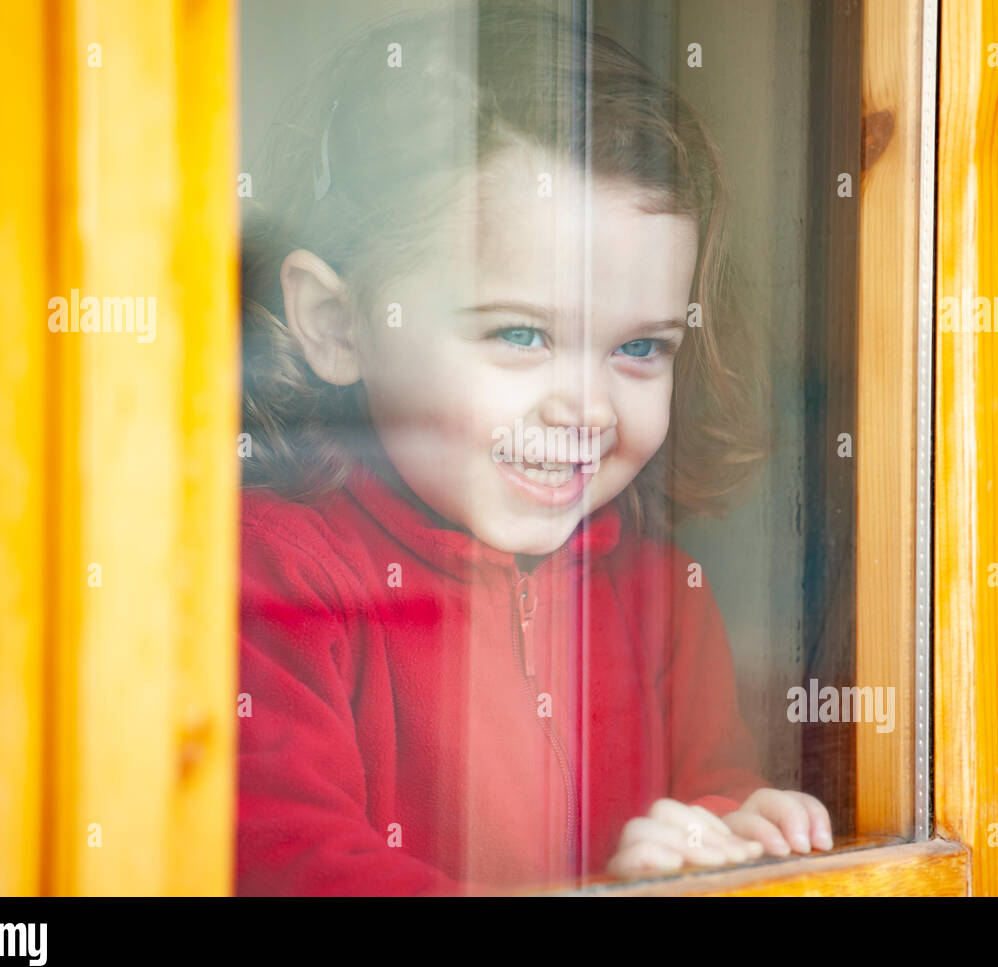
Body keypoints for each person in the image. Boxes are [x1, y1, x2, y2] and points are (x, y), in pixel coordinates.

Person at [236, 1, 831, 896]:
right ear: (337, 324)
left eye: (640, 349)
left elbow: (712, 800)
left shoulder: (664, 603)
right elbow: (293, 866)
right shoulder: (269, 582)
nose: (587, 405)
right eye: (520, 335)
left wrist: (737, 840)